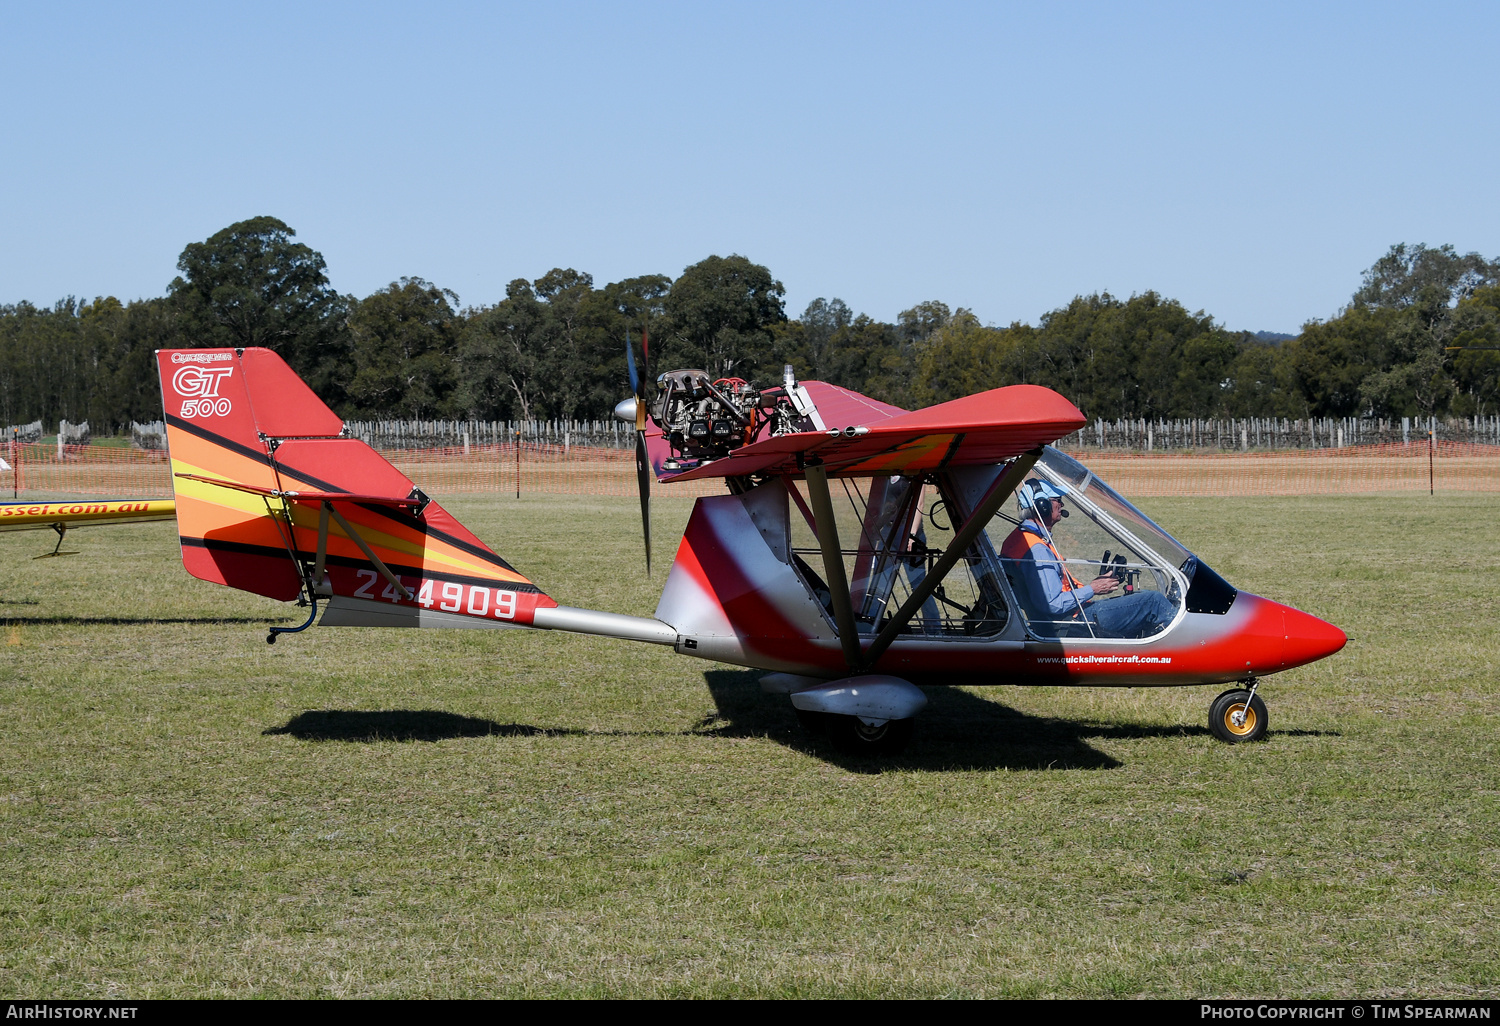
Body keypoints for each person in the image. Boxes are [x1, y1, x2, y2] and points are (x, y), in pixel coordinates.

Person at [999, 479, 1175, 639]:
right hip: (1073, 622)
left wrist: (1094, 585)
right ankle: (1194, 648)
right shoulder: (1037, 549)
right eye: (1056, 499)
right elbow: (1051, 604)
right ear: (1041, 505)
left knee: (1142, 596)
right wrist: (1093, 588)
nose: (1061, 504)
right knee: (1153, 601)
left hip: (1064, 618)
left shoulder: (1021, 539)